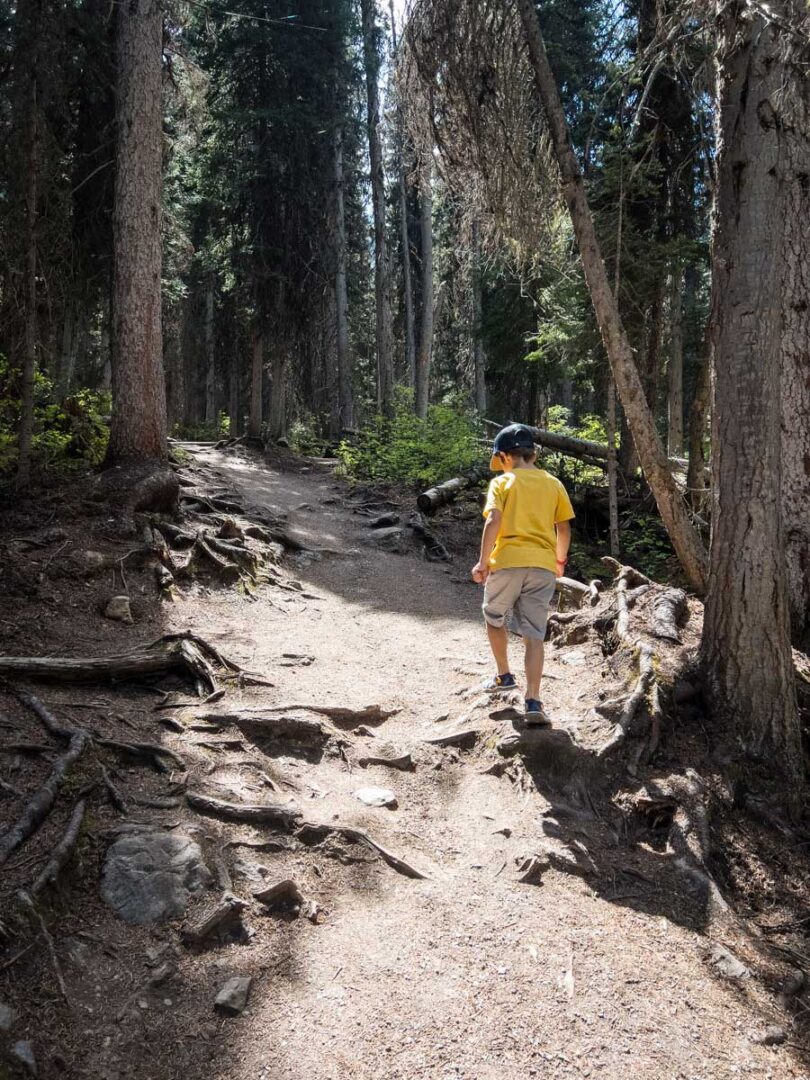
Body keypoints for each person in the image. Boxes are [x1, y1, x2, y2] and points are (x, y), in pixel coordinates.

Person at [471, 423, 575, 725]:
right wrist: (559, 560)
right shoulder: (553, 483)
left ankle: (504, 676)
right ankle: (533, 702)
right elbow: (564, 527)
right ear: (532, 454)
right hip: (543, 564)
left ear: (504, 457)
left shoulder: (503, 483)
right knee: (533, 634)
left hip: (507, 560)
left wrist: (482, 562)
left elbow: (494, 522)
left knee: (494, 616)